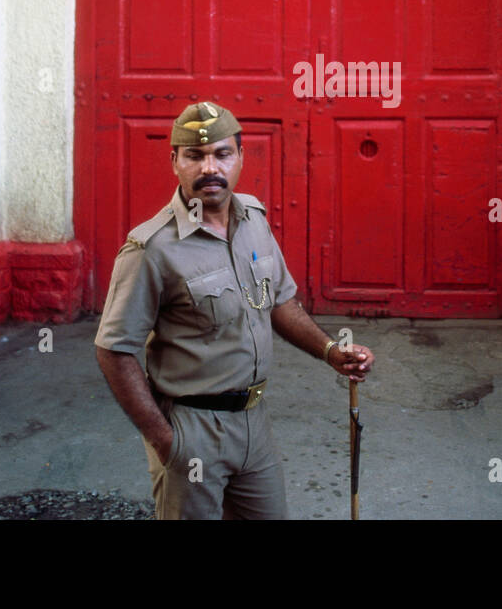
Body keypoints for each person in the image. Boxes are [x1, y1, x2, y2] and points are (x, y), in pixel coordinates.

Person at [94, 101, 375, 519]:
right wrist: (164, 440)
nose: (210, 167)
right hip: (192, 429)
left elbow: (280, 302)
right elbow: (115, 349)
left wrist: (331, 351)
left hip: (254, 423)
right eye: (195, 155)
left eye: (222, 154)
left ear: (240, 158)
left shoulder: (254, 219)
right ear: (175, 161)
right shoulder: (151, 249)